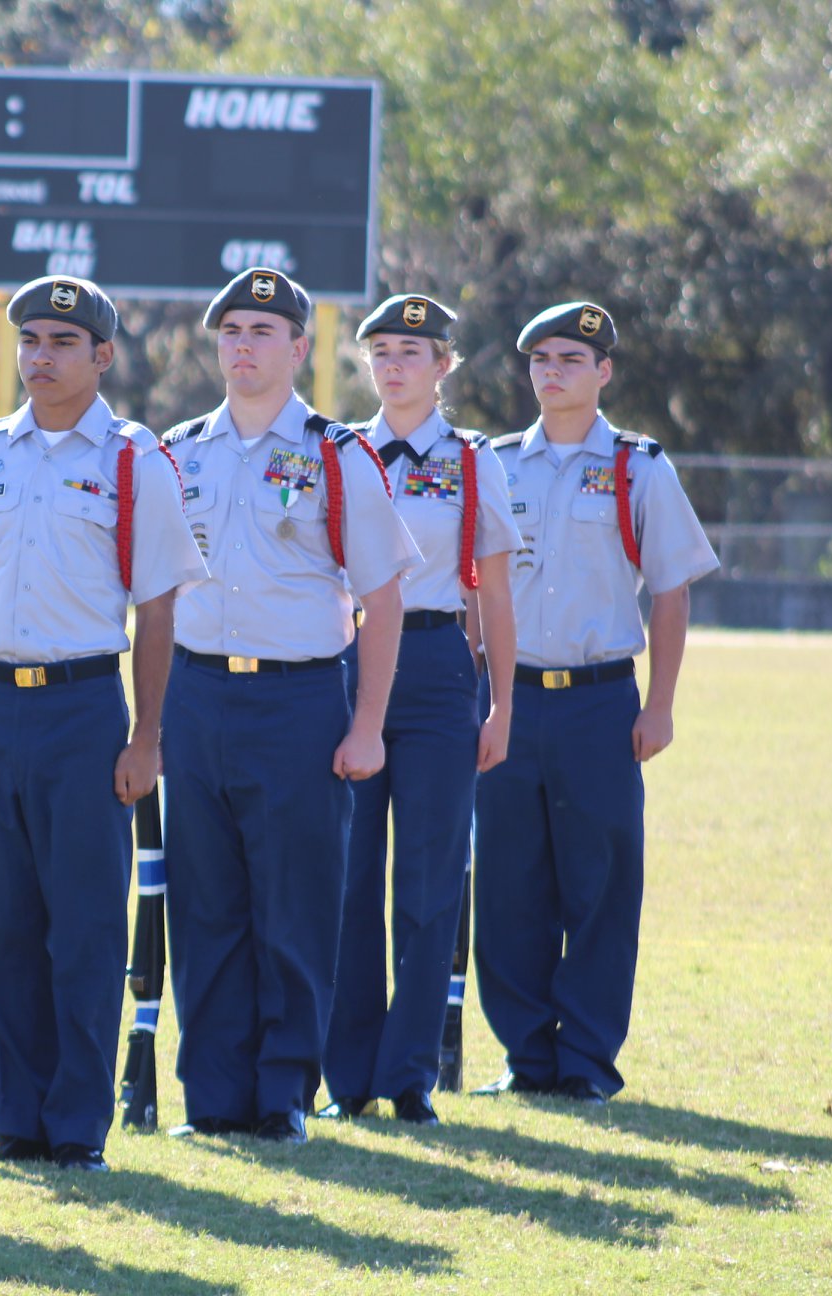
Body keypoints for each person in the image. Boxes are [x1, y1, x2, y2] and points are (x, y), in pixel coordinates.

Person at [0, 275, 205, 1172]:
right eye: (30, 342)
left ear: (102, 356)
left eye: (61, 342)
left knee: (84, 924)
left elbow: (157, 609)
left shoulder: (134, 460)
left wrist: (149, 737)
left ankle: (76, 1124)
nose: (41, 358)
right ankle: (10, 1118)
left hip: (86, 709)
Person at [156, 268, 418, 1144]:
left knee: (294, 906)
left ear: (300, 348)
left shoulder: (337, 454)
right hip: (195, 692)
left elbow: (383, 598)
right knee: (205, 904)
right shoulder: (179, 450)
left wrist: (369, 724)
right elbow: (150, 595)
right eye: (231, 329)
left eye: (264, 331)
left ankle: (282, 1096)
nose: (244, 345)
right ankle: (213, 1097)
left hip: (299, 697)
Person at [470, 301, 718, 1104]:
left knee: (601, 887)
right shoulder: (497, 464)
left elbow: (672, 591)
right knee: (509, 889)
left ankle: (586, 1063)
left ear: (603, 372)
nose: (553, 372)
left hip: (600, 701)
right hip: (512, 700)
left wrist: (662, 705)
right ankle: (526, 1058)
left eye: (571, 359)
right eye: (541, 359)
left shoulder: (640, 467)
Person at [317, 294, 521, 1127]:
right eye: (383, 350)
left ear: (444, 366)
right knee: (348, 875)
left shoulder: (474, 461)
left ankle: (410, 1074)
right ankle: (349, 1076)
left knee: (431, 876)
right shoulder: (335, 451)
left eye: (414, 350)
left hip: (439, 667)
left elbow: (498, 593)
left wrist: (502, 703)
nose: (395, 364)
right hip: (349, 665)